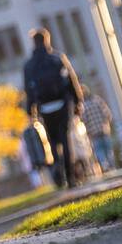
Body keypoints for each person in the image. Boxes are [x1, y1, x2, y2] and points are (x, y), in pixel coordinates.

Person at [22, 28, 83, 189]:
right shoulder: (58, 58)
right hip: (62, 104)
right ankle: (70, 177)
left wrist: (31, 111)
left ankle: (58, 171)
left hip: (45, 108)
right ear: (47, 40)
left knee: (52, 141)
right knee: (65, 139)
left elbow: (28, 91)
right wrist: (78, 101)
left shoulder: (29, 66)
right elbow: (71, 80)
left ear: (34, 43)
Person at [79, 84, 115, 171]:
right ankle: (112, 166)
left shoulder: (83, 106)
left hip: (93, 132)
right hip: (104, 129)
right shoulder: (97, 100)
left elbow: (84, 120)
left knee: (99, 151)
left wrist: (87, 131)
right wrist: (107, 123)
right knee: (108, 149)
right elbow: (107, 113)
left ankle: (105, 166)